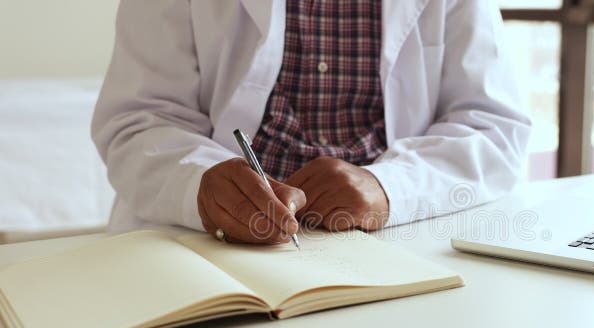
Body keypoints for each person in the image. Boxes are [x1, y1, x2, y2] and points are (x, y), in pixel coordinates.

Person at [92, 0, 531, 244]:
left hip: (388, 236)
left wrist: (389, 186)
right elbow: (138, 122)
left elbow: (493, 126)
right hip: (206, 241)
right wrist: (198, 187)